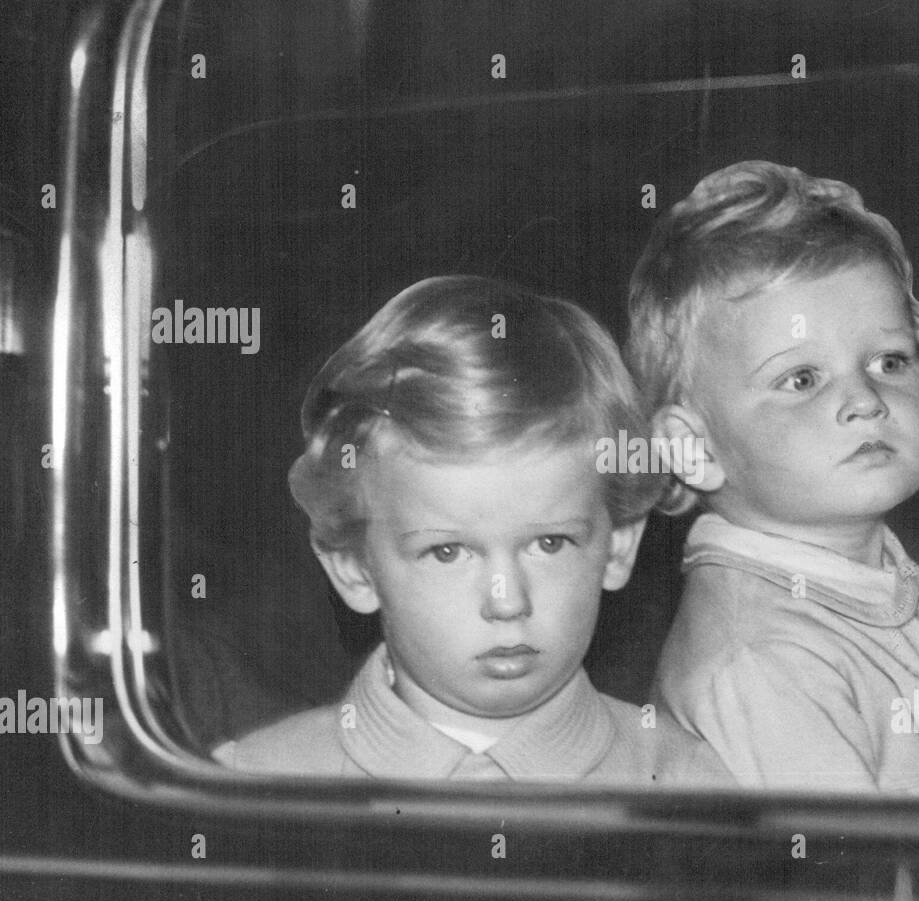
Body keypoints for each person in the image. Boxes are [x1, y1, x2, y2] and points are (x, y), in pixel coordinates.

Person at [214, 275, 730, 786]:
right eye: (447, 552)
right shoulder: (250, 786)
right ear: (355, 568)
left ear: (618, 546)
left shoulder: (684, 785)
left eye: (549, 543)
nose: (507, 603)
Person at [625, 161, 919, 792]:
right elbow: (853, 880)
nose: (866, 398)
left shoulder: (868, 571)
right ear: (693, 448)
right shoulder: (759, 661)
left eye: (889, 360)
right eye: (802, 379)